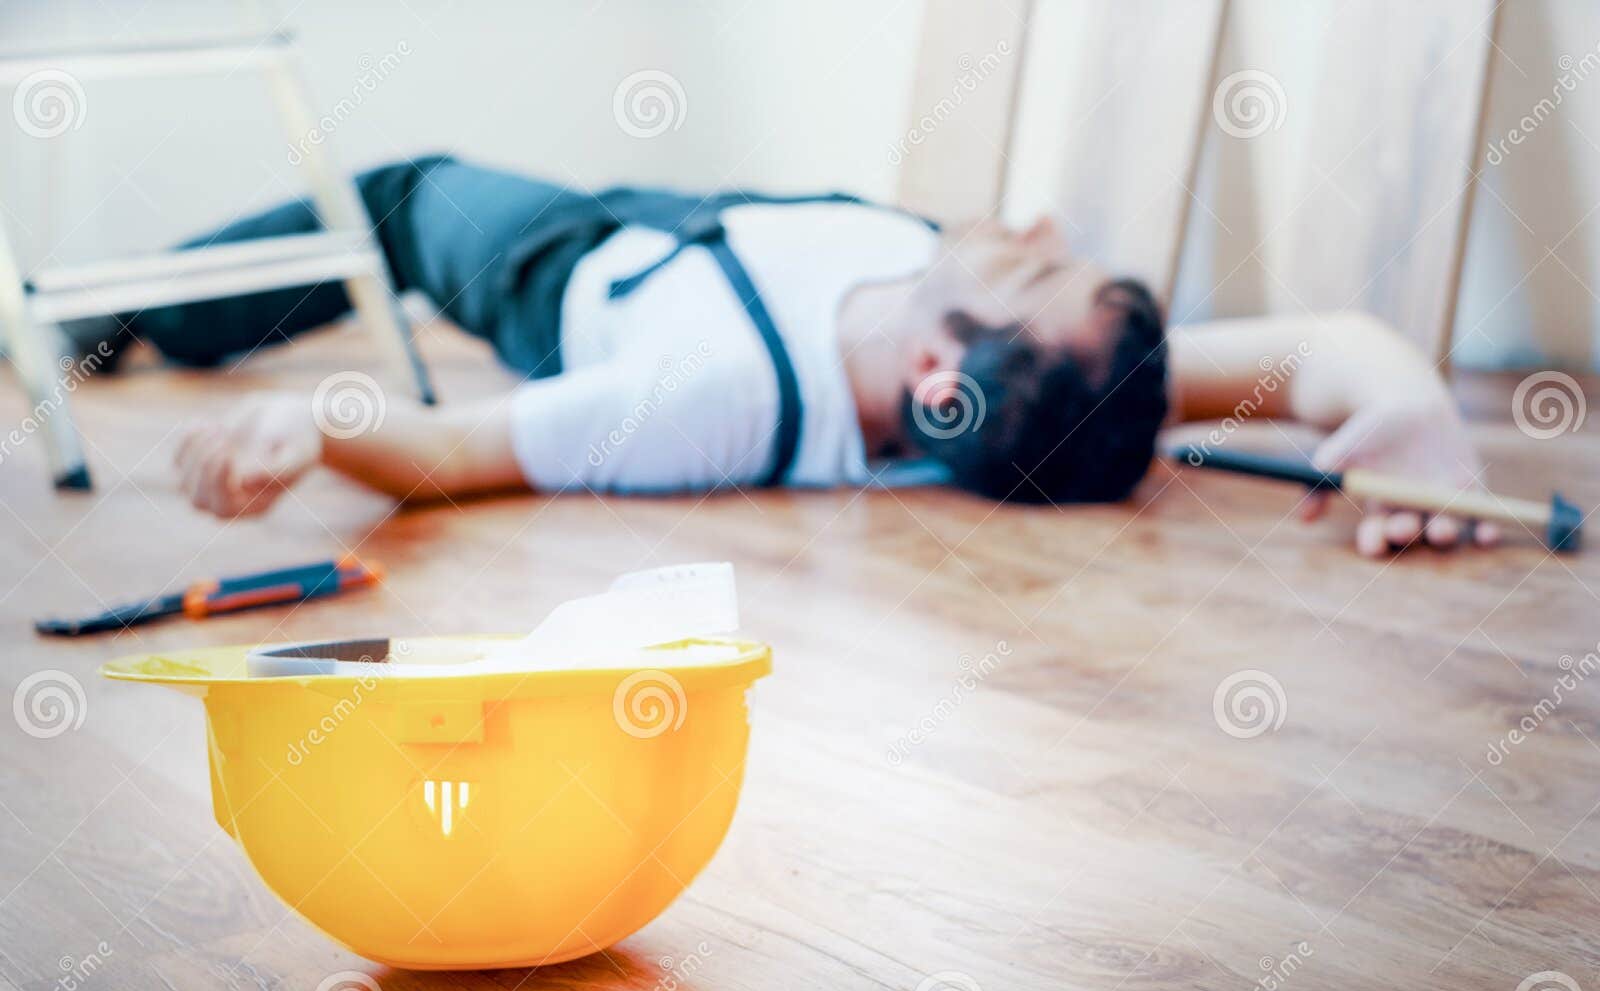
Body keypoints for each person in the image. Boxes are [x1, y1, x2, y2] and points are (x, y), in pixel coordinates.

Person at [87, 155, 1495, 557]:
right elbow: (1325, 350)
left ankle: (125, 317)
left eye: (1030, 268)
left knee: (395, 198)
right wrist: (1420, 418)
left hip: (572, 258)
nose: (1036, 228)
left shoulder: (712, 404)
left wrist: (318, 419)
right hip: (711, 215)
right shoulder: (1080, 374)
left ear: (939, 378)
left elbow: (453, 453)